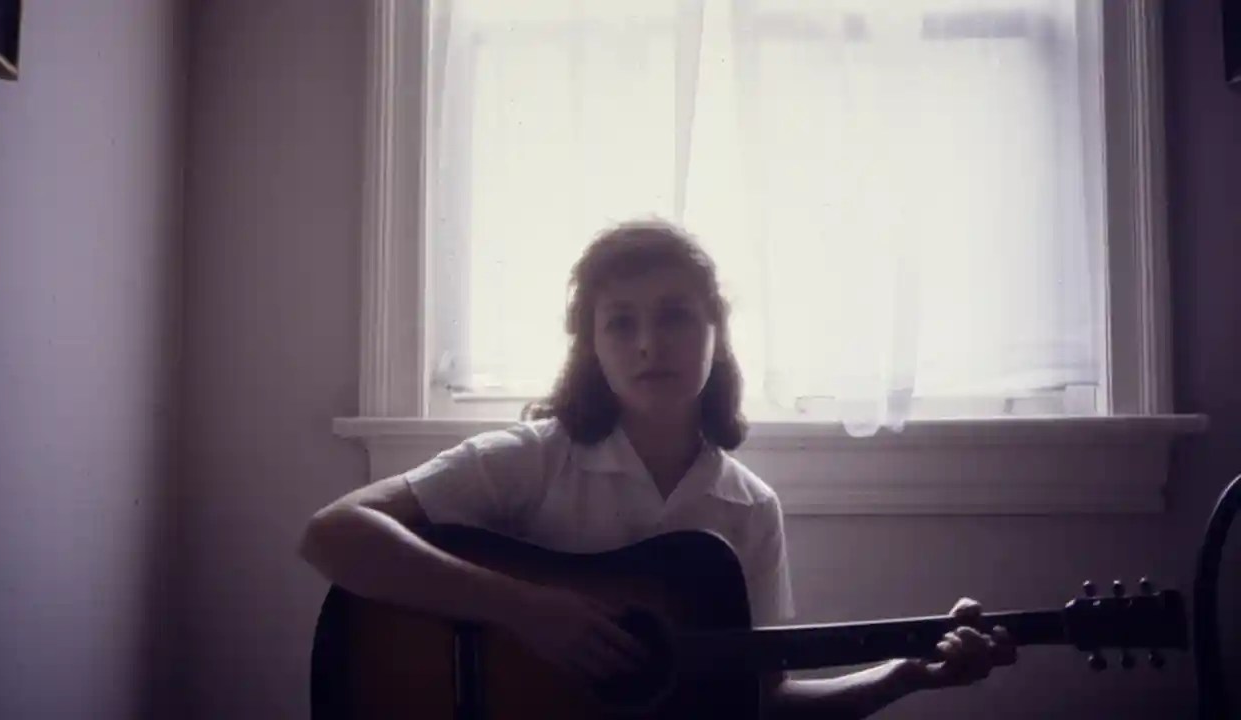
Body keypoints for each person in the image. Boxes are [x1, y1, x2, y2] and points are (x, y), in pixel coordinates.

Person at [298, 218, 1017, 718]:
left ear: (716, 333)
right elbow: (331, 534)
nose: (650, 343)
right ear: (593, 346)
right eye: (621, 322)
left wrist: (901, 677)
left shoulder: (747, 510)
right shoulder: (529, 461)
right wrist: (524, 608)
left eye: (675, 316)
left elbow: (760, 705)